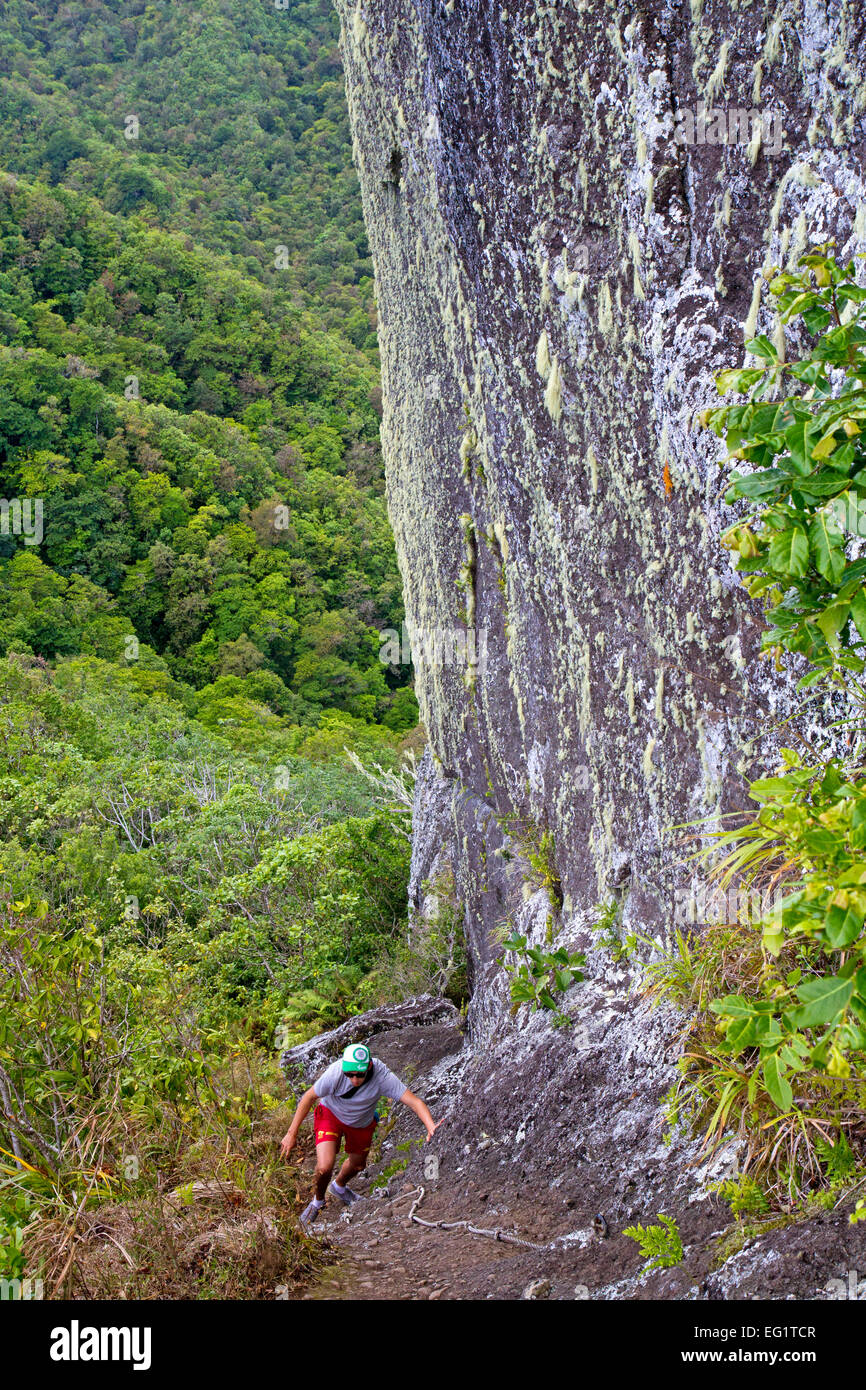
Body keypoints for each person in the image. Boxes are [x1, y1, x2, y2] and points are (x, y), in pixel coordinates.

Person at [280, 1042, 443, 1227]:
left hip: (360, 1122)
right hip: (330, 1115)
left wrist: (431, 1126)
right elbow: (309, 1097)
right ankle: (318, 1201)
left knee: (358, 1165)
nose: (355, 1079)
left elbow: (414, 1101)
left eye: (360, 1074)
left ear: (369, 1067)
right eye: (350, 1074)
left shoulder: (382, 1076)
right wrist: (291, 1134)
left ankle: (339, 1187)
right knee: (324, 1167)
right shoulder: (335, 1073)